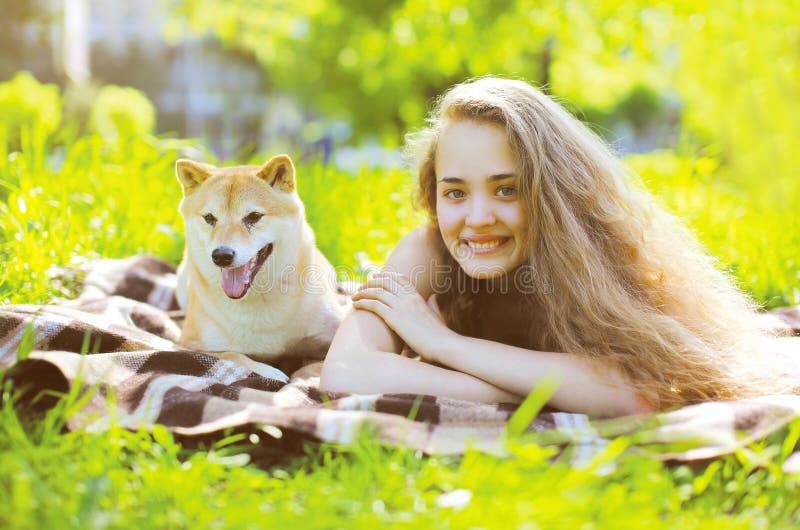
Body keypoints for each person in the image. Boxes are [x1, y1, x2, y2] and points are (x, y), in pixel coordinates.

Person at [319, 76, 796, 417]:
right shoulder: (428, 250)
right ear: (434, 194)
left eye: (507, 189)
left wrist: (445, 345)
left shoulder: (592, 257)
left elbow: (638, 393)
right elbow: (344, 371)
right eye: (456, 193)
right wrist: (542, 389)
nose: (478, 218)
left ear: (553, 195)